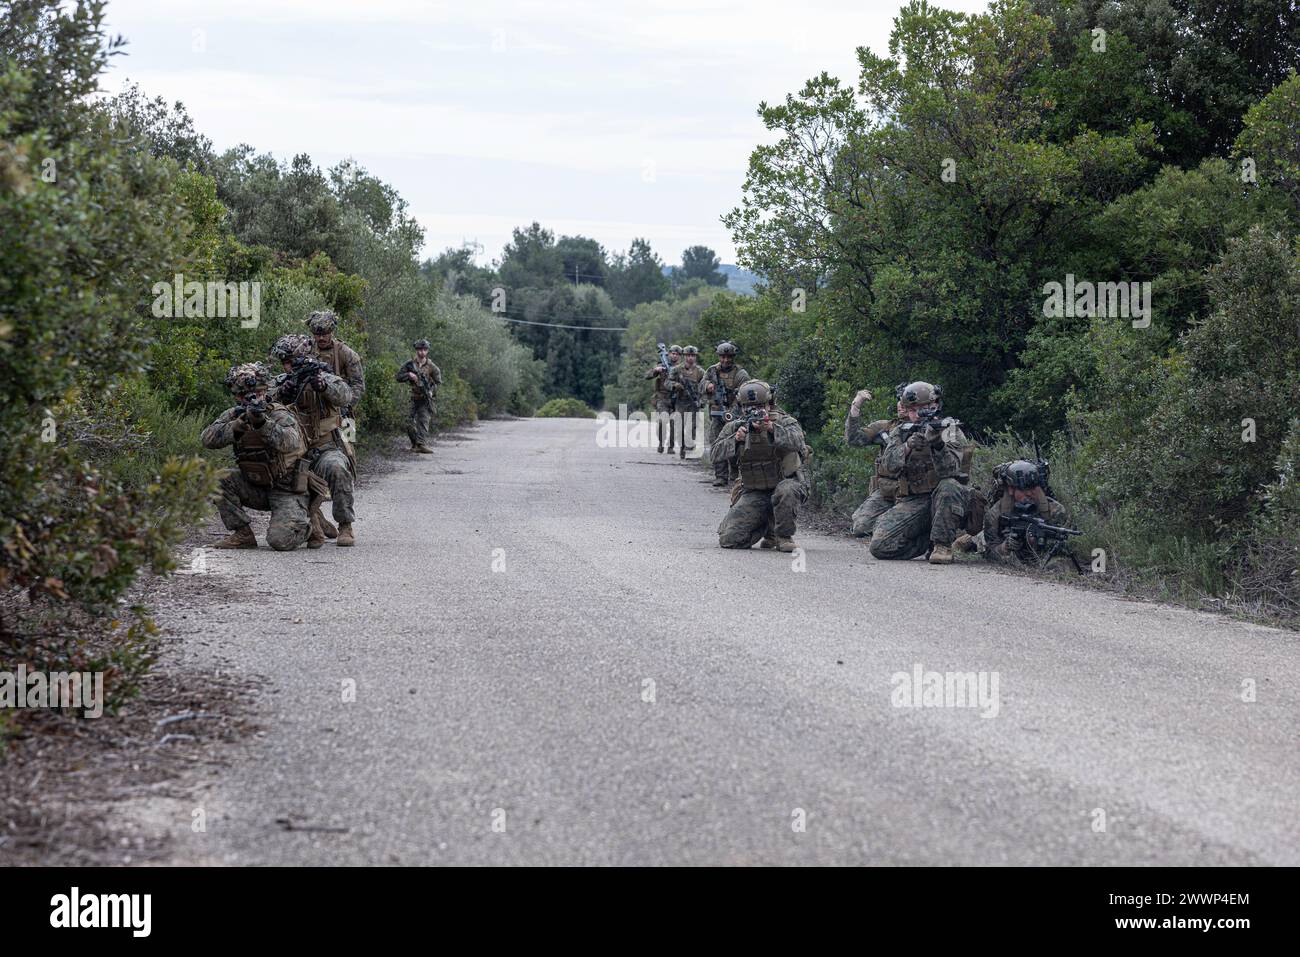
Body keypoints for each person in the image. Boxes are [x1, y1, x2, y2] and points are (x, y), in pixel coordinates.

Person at [849, 381, 971, 564]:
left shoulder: (949, 429)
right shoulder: (900, 430)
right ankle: (927, 540)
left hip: (943, 497)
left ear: (935, 405)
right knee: (880, 546)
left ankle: (943, 546)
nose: (918, 414)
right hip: (915, 499)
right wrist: (907, 447)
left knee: (949, 486)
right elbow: (889, 465)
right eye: (913, 410)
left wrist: (937, 444)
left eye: (923, 409)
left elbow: (951, 469)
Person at [200, 362, 310, 551]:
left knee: (280, 541)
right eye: (243, 396)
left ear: (265, 391)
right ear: (236, 396)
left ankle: (309, 523)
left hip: (286, 489)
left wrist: (263, 424)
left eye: (257, 394)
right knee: (218, 478)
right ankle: (243, 534)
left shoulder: (278, 413)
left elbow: (291, 442)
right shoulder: (235, 413)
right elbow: (207, 439)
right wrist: (235, 427)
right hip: (255, 487)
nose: (251, 399)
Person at [269, 334, 358, 547]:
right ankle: (313, 518)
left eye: (292, 361)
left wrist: (323, 386)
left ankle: (345, 524)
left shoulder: (324, 377)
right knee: (284, 481)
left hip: (324, 446)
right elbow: (264, 403)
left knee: (337, 468)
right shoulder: (281, 382)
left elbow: (346, 396)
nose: (288, 367)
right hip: (294, 452)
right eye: (285, 363)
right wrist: (282, 393)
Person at [713, 380, 808, 552]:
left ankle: (783, 536)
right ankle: (766, 526)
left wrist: (772, 429)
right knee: (729, 539)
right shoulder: (736, 426)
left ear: (769, 404)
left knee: (786, 491)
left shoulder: (784, 421)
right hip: (755, 490)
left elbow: (799, 442)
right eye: (748, 407)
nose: (754, 411)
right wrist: (735, 440)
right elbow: (715, 454)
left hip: (785, 482)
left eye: (759, 406)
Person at [978, 460, 1072, 564]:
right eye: (1024, 489)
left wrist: (1037, 541)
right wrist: (1005, 547)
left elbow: (1065, 546)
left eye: (1033, 488)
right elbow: (990, 553)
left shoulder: (1055, 510)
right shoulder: (995, 514)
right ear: (1011, 489)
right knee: (976, 540)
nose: (1030, 493)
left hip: (1038, 559)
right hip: (1004, 551)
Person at [701, 341, 751, 486]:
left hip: (734, 414)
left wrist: (732, 412)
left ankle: (735, 474)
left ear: (733, 357)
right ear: (719, 356)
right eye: (723, 357)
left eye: (729, 357)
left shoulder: (741, 374)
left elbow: (745, 395)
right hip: (716, 413)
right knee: (717, 443)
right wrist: (707, 386)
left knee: (735, 444)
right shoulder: (712, 371)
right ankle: (720, 476)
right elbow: (701, 385)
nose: (726, 360)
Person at [306, 310, 365, 417]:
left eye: (324, 334)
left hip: (339, 409)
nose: (321, 338)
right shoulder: (306, 350)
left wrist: (347, 407)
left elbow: (358, 385)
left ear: (331, 332)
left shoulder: (346, 353)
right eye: (317, 335)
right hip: (312, 410)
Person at [397, 338, 442, 453]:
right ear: (416, 350)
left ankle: (421, 444)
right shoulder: (409, 364)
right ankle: (415, 444)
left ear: (427, 351)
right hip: (413, 397)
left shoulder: (432, 367)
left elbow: (438, 382)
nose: (422, 352)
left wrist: (432, 391)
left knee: (423, 421)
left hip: (425, 398)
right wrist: (409, 375)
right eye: (420, 350)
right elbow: (398, 377)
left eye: (425, 350)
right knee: (408, 422)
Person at [669, 345, 705, 460]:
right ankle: (682, 447)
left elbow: (705, 386)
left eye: (692, 356)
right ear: (684, 356)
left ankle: (688, 444)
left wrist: (703, 400)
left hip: (694, 403)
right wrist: (675, 385)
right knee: (680, 425)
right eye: (688, 355)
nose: (690, 358)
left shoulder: (700, 372)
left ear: (695, 357)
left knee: (692, 426)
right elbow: (667, 382)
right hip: (681, 402)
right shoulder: (677, 369)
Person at [645, 344, 681, 453]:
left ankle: (671, 446)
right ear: (669, 354)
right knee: (662, 420)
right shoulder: (662, 365)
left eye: (677, 354)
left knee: (674, 422)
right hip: (662, 398)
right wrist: (656, 370)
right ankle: (661, 443)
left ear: (680, 356)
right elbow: (647, 376)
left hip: (676, 398)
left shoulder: (682, 367)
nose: (674, 356)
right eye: (672, 353)